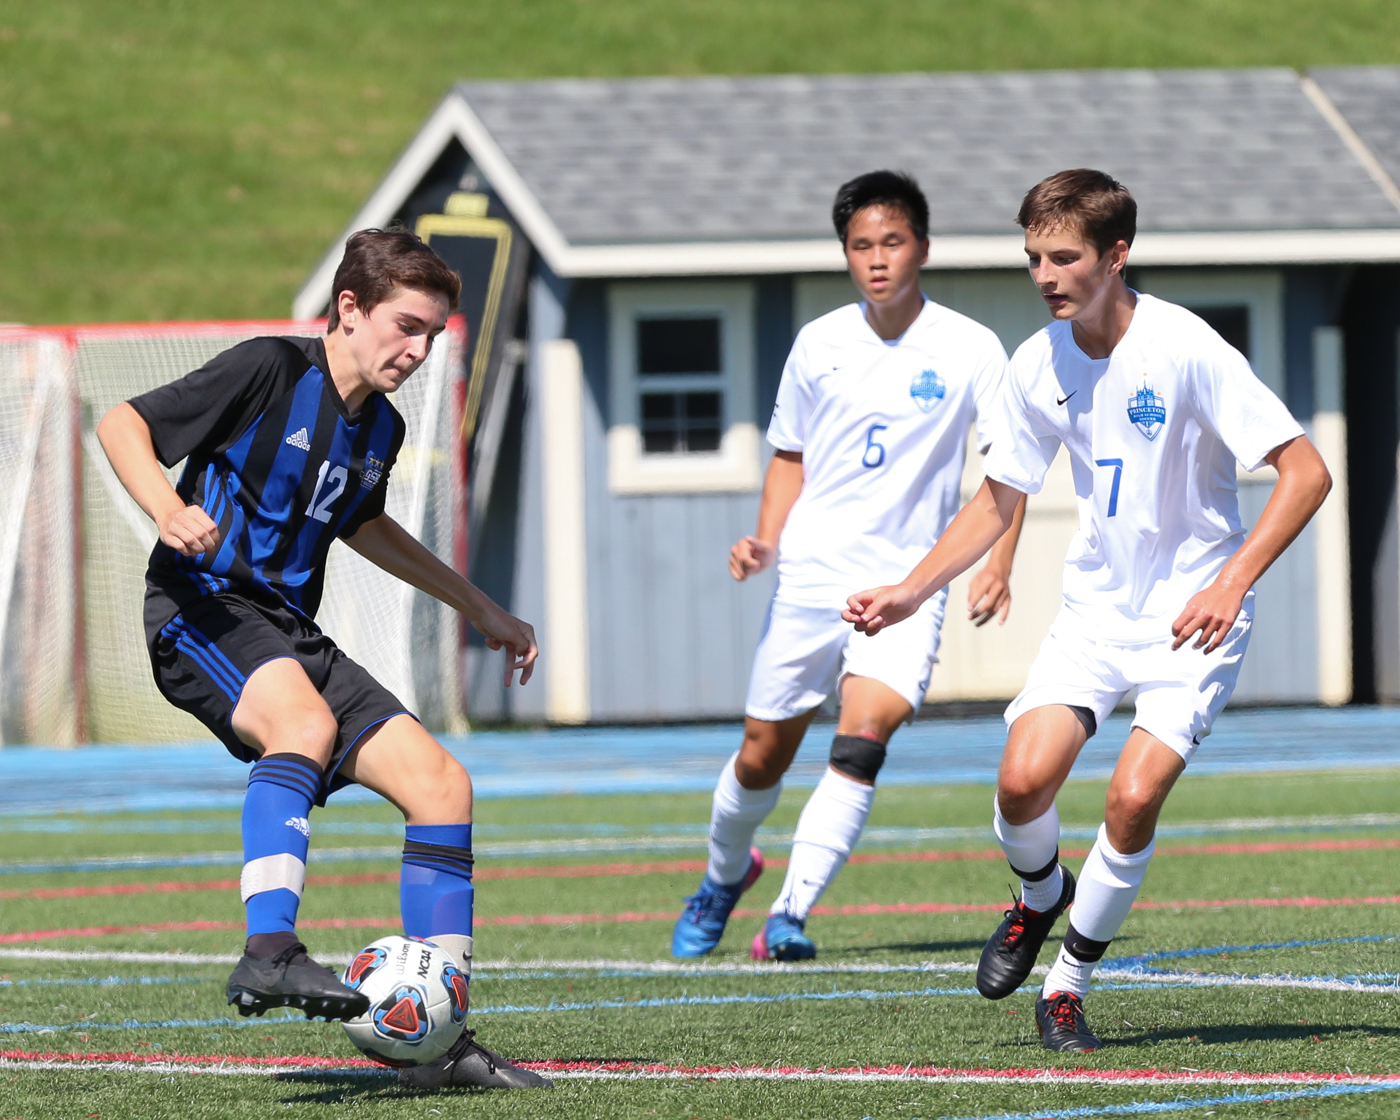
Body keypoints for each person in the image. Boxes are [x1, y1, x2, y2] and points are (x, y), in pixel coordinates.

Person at [843, 169, 1331, 1050]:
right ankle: (1038, 898)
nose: (1044, 275)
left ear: (1116, 254)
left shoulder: (1188, 348)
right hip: (1095, 616)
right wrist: (910, 589)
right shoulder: (1037, 362)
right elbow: (997, 499)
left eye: (1063, 257)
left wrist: (1232, 582)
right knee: (1022, 783)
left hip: (1192, 618)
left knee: (1133, 797)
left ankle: (1066, 986)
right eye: (1032, 257)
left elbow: (1306, 472)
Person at [96, 228, 551, 1091]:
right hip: (202, 607)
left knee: (442, 784)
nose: (418, 351)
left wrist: (483, 609)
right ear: (349, 309)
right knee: (300, 723)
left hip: (286, 630)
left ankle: (440, 1041)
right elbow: (121, 423)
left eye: (433, 336)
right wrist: (164, 505)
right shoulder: (268, 368)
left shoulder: (378, 424)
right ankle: (269, 950)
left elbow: (368, 526)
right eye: (406, 327)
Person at [671, 170, 1026, 962]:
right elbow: (788, 456)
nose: (877, 258)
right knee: (763, 754)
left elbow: (1011, 469)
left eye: (891, 242)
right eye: (861, 245)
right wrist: (764, 539)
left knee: (864, 739)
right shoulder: (818, 343)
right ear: (845, 254)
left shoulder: (971, 348)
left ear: (922, 249)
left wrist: (998, 563)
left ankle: (788, 917)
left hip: (909, 584)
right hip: (811, 579)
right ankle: (724, 877)